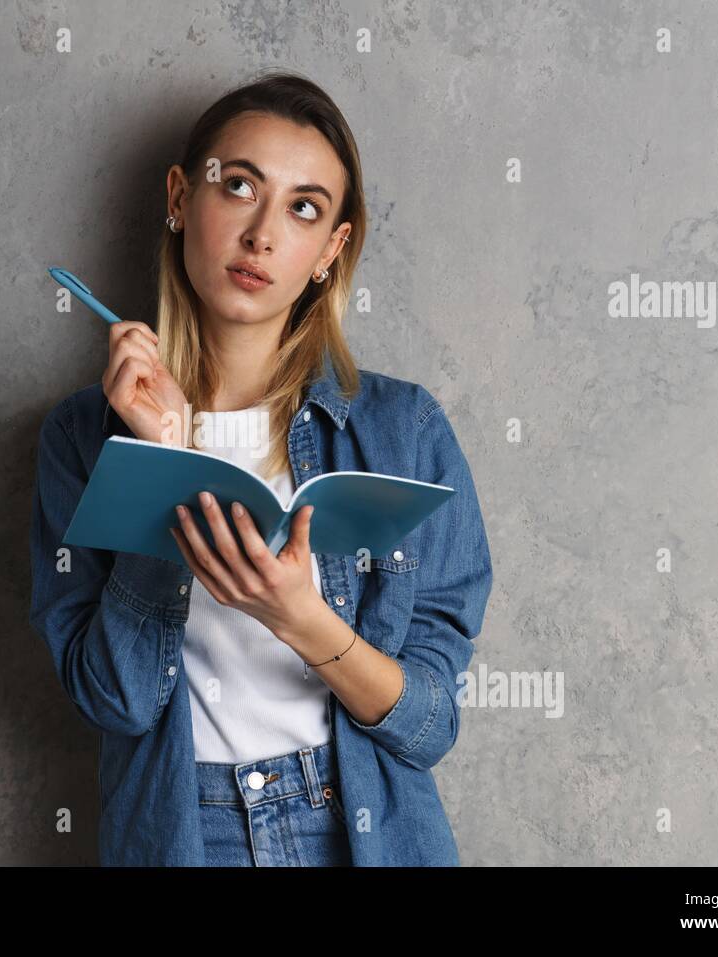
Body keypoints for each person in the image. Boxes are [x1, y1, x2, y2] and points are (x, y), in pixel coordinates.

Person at [28, 70, 493, 866]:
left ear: (331, 249)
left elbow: (429, 727)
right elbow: (115, 700)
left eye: (304, 207)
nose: (263, 235)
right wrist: (159, 466)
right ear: (180, 198)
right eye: (238, 186)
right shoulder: (82, 436)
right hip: (183, 831)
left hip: (355, 830)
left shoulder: (403, 429)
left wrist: (302, 620)